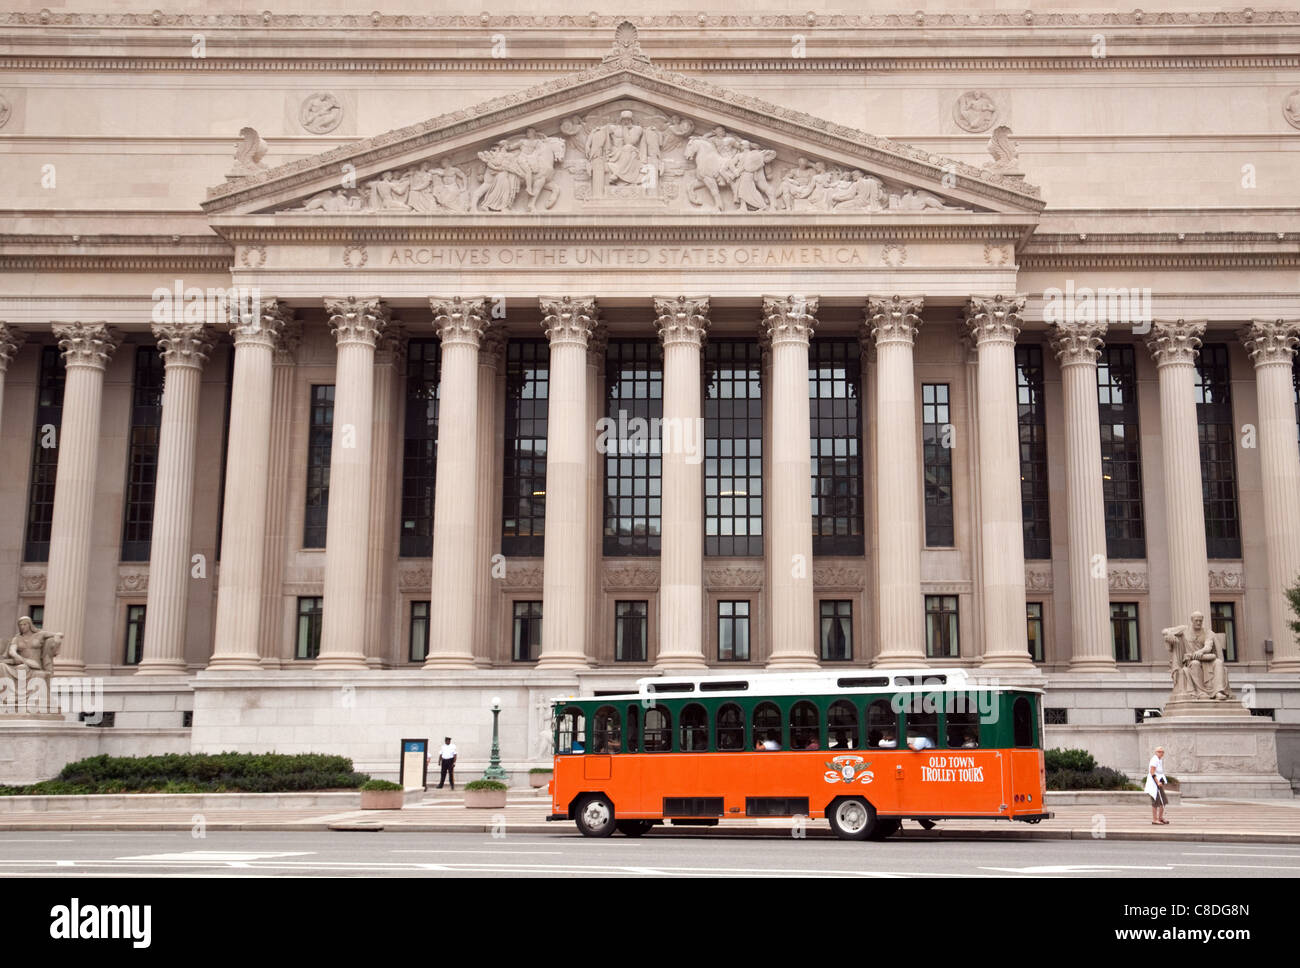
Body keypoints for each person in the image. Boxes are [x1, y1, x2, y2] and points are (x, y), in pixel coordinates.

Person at [1146, 746, 1169, 824]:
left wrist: (1161, 782)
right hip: (1154, 784)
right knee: (1155, 801)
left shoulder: (1159, 760)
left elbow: (1159, 772)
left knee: (1163, 801)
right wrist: (1157, 782)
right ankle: (1155, 819)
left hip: (1159, 783)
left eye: (1162, 752)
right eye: (1159, 751)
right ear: (1156, 752)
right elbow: (1152, 772)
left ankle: (1160, 817)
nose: (1160, 753)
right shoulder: (1154, 760)